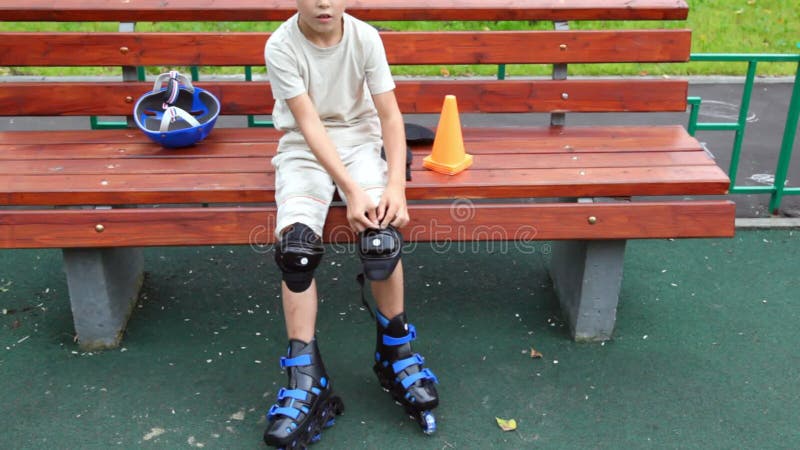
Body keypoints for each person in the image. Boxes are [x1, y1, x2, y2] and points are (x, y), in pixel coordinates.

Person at [262, 1, 439, 447]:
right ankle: (305, 375)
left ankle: (395, 348)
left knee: (382, 238)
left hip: (362, 143)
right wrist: (351, 189)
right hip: (304, 148)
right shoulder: (281, 46)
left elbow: (390, 117)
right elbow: (308, 125)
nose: (324, 2)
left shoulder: (365, 38)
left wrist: (394, 186)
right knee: (297, 251)